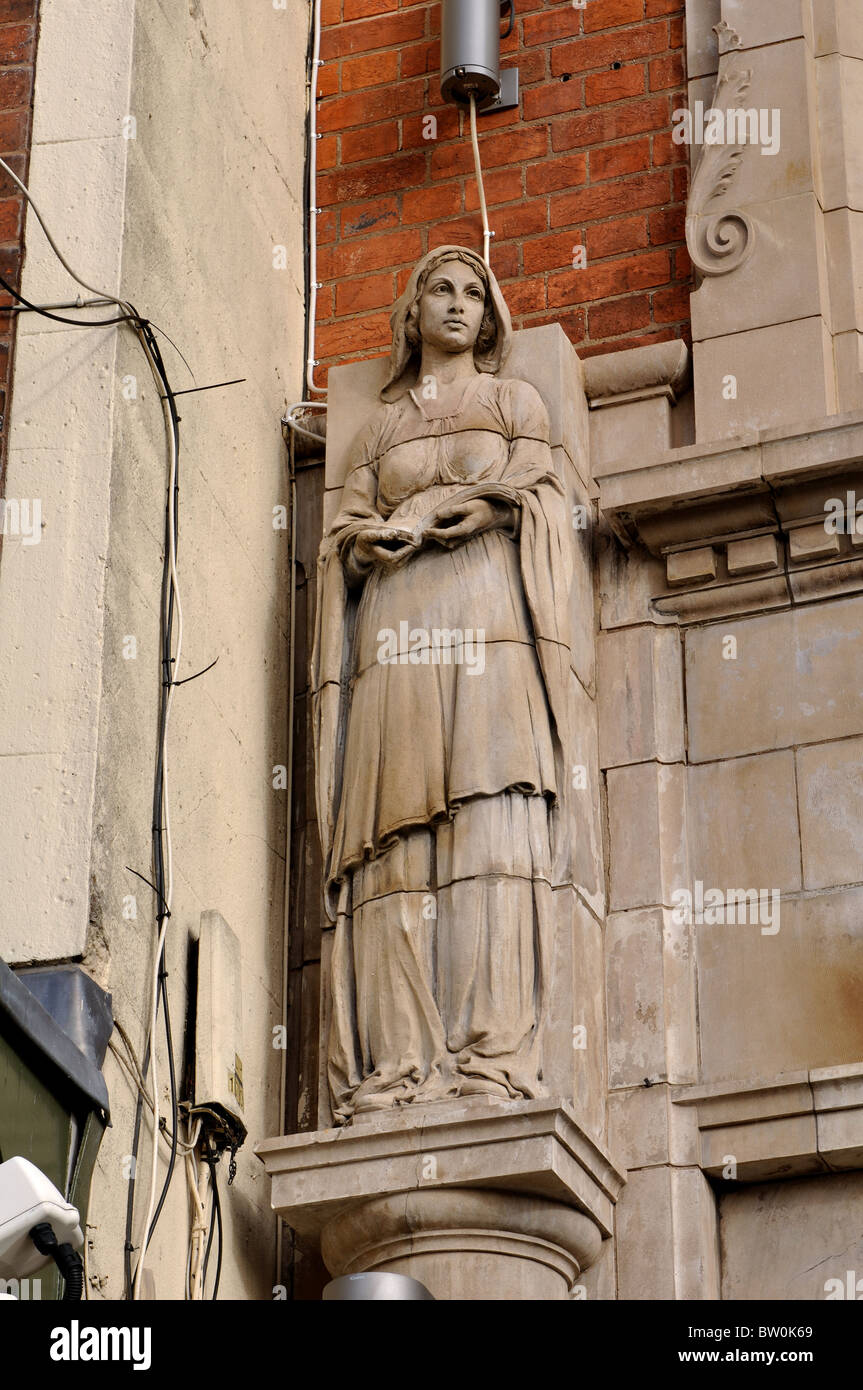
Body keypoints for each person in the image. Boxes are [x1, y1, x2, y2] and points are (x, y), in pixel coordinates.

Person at [312, 245, 574, 1123]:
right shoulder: (379, 430)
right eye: (440, 290)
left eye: (473, 293)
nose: (458, 304)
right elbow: (341, 531)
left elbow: (548, 495)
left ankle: (490, 1048)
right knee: (392, 832)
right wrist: (361, 543)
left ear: (490, 317)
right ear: (413, 311)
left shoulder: (513, 401)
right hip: (393, 624)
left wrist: (496, 504)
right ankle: (397, 1059)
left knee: (491, 803)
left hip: (490, 612)